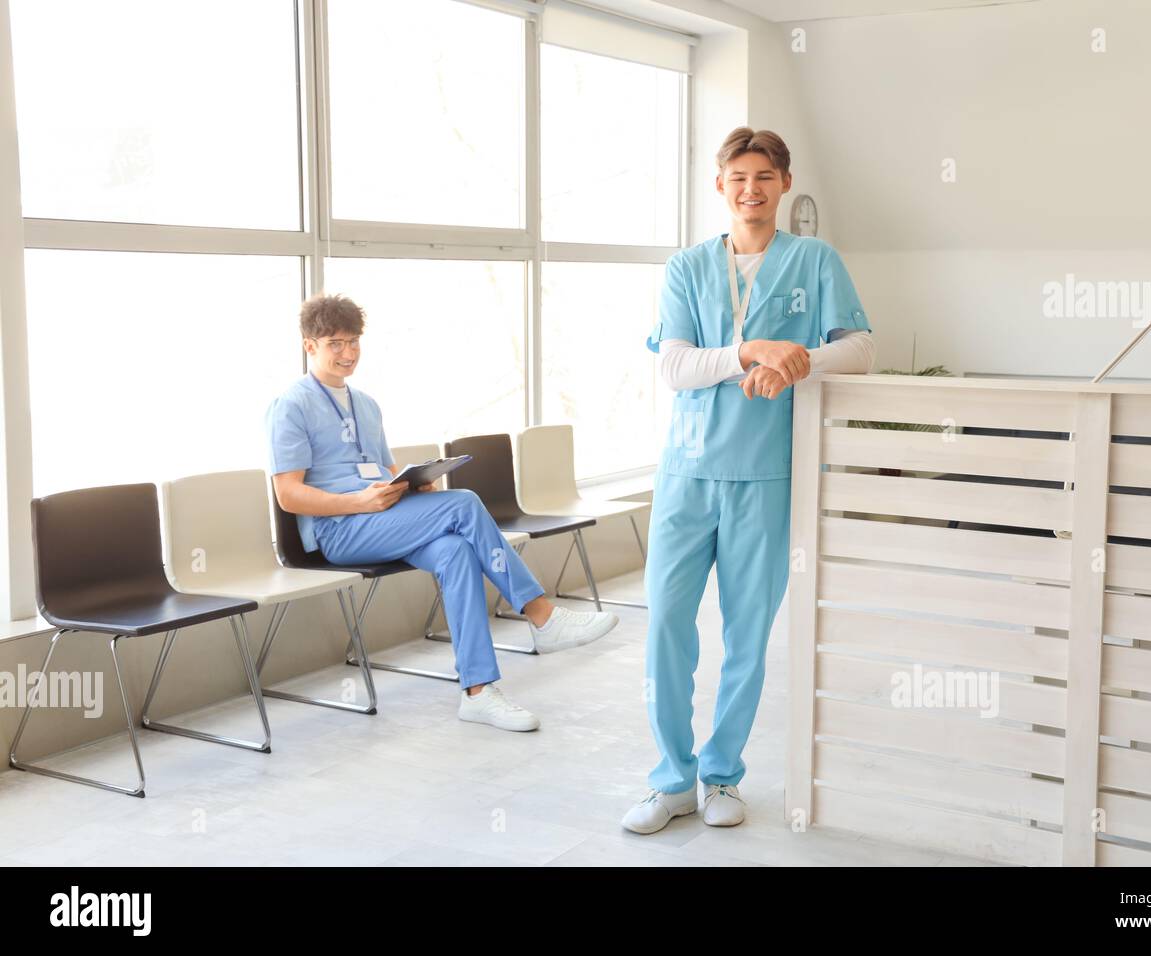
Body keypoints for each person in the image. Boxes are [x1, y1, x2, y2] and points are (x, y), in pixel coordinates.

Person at [622, 127, 876, 833]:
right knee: (667, 625)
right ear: (720, 186)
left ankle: (722, 775)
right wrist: (746, 353)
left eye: (764, 176)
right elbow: (673, 366)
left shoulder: (815, 261)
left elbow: (859, 348)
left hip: (765, 474)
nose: (751, 189)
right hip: (686, 473)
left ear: (784, 185)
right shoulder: (687, 268)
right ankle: (671, 779)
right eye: (738, 176)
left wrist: (799, 361)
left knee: (747, 633)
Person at [266, 293, 619, 732]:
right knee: (465, 502)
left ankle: (477, 692)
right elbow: (289, 496)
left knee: (454, 550)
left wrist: (416, 485)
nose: (348, 353)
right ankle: (541, 615)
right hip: (341, 530)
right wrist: (358, 502)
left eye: (354, 341)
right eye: (335, 343)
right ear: (309, 345)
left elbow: (385, 470)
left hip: (384, 517)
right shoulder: (291, 406)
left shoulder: (367, 404)